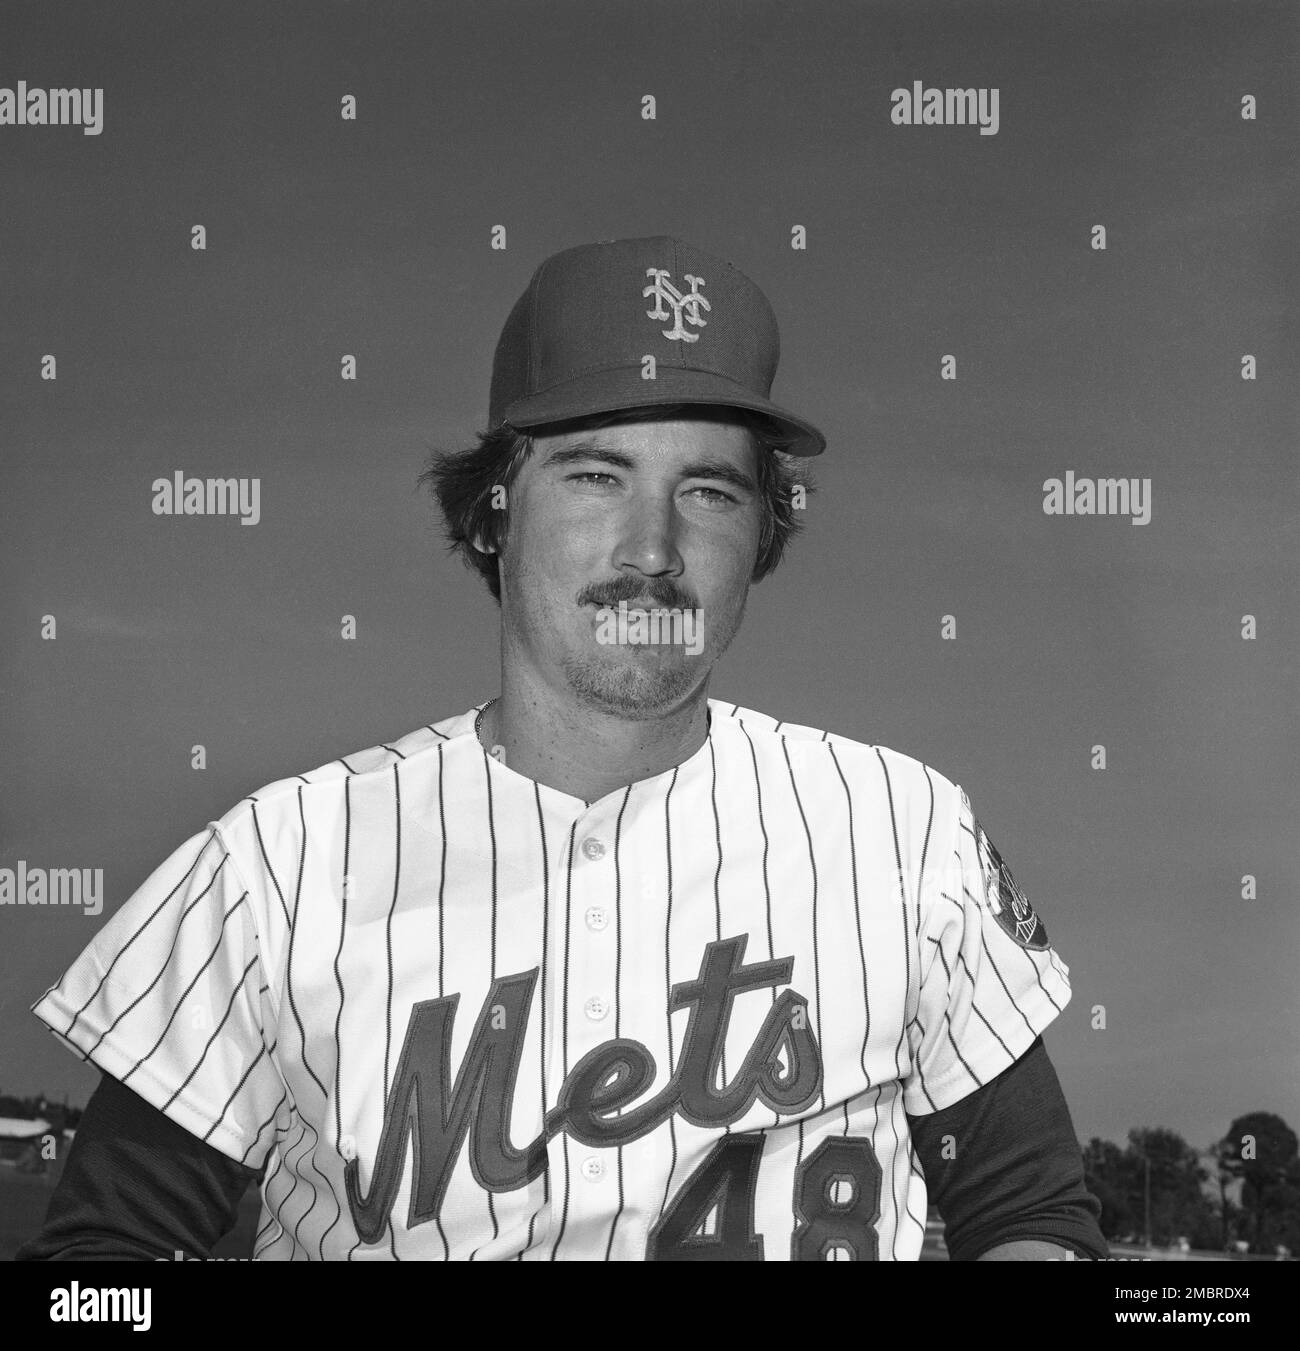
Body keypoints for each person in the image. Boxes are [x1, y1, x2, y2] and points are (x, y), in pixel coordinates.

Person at [20, 235, 1105, 1261]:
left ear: (762, 537)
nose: (652, 549)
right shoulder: (279, 863)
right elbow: (101, 1265)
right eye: (596, 475)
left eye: (711, 490)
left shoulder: (900, 829)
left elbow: (1032, 1214)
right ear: (492, 513)